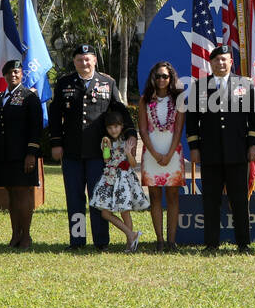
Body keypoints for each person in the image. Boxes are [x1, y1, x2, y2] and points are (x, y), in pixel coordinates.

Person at [48, 44, 134, 249]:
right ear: (75, 62)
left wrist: (131, 132)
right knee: (74, 198)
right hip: (71, 151)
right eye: (79, 59)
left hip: (99, 153)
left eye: (88, 59)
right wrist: (56, 143)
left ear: (94, 60)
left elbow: (120, 110)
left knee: (98, 197)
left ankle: (101, 241)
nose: (84, 63)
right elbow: (54, 115)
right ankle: (77, 241)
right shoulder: (64, 83)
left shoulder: (107, 82)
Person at [186, 44, 255, 252]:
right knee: (210, 201)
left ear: (231, 62)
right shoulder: (200, 87)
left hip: (238, 152)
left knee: (239, 201)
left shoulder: (244, 85)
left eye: (224, 59)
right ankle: (211, 244)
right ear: (211, 63)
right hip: (210, 153)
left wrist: (253, 145)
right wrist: (194, 148)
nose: (221, 63)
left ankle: (243, 243)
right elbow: (192, 121)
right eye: (217, 60)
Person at [0, 58, 42, 249]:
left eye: (17, 72)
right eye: (10, 72)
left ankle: (26, 236)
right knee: (11, 195)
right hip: (4, 155)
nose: (13, 74)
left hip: (23, 155)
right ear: (4, 75)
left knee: (23, 193)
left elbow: (36, 127)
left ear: (22, 75)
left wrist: (31, 153)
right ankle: (15, 235)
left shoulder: (29, 97)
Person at [139, 60, 186, 250]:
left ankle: (172, 241)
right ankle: (159, 240)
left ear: (171, 78)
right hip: (151, 153)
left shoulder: (179, 100)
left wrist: (168, 154)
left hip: (173, 153)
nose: (161, 80)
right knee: (155, 196)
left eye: (165, 76)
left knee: (173, 196)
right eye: (157, 76)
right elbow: (142, 129)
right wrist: (155, 153)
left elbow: (178, 130)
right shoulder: (145, 99)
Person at [90, 107, 149, 252]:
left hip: (124, 179)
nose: (113, 130)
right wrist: (105, 147)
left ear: (122, 126)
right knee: (105, 213)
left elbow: (133, 164)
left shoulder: (126, 141)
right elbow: (106, 159)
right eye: (110, 127)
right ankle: (131, 234)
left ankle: (130, 243)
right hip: (110, 178)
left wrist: (128, 152)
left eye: (116, 126)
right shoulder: (106, 141)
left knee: (125, 210)